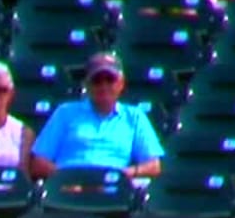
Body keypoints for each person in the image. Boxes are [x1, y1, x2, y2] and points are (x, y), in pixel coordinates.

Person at [30, 53, 163, 180]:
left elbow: (154, 166)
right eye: (97, 80)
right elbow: (39, 163)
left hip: (112, 187)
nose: (103, 86)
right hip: (69, 188)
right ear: (87, 85)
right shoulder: (65, 112)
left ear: (121, 83)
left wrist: (127, 173)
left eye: (110, 80)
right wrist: (65, 178)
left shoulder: (134, 117)